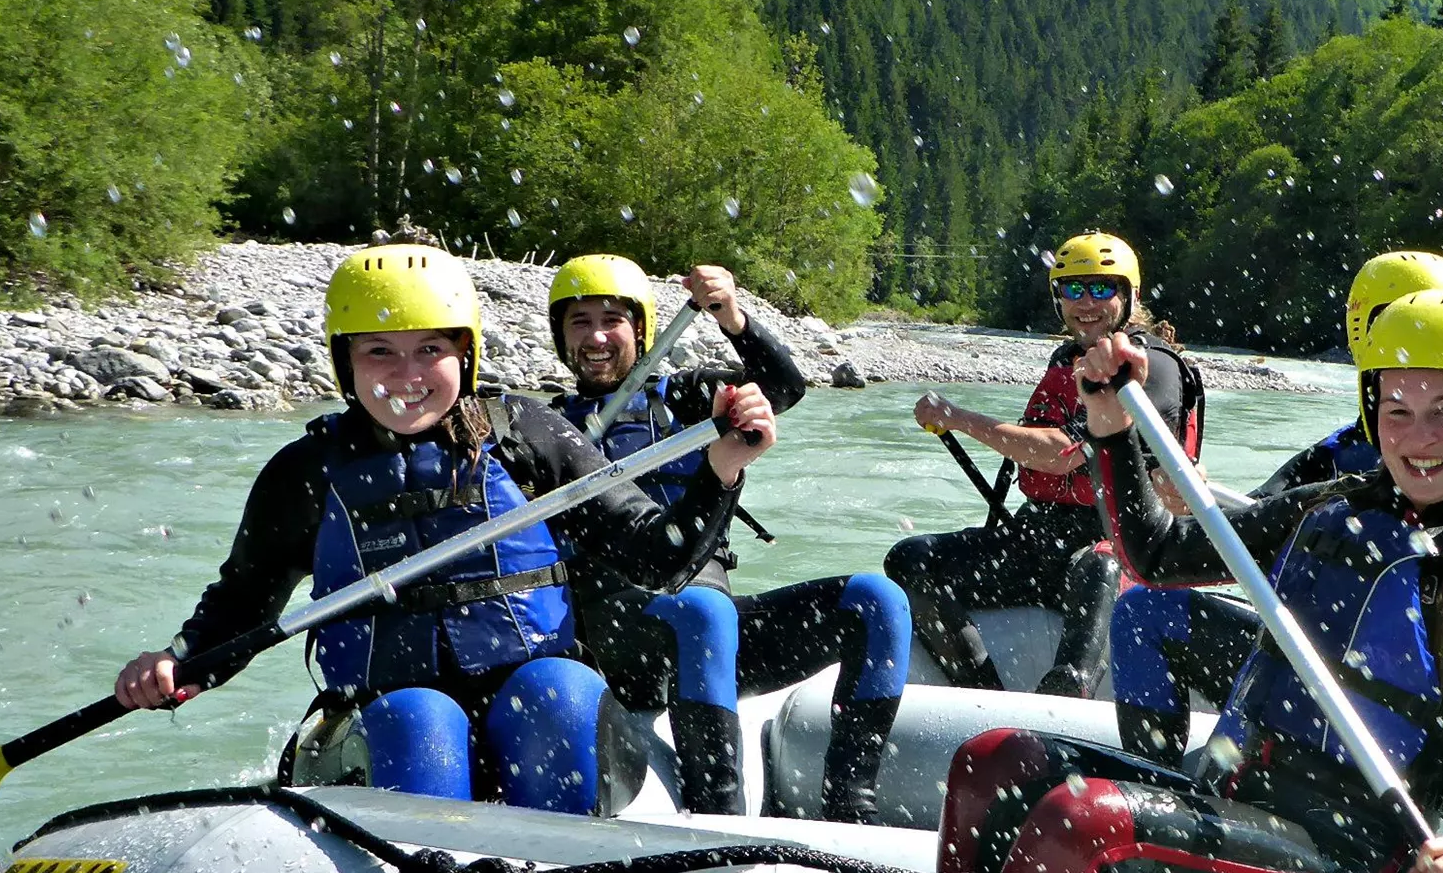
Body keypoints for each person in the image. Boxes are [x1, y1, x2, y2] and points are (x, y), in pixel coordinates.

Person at [941, 291, 1443, 873]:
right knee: (994, 762)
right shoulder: (1331, 508)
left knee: (1087, 823)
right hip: (1238, 797)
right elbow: (1154, 554)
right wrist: (1109, 423)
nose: (1418, 437)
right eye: (1397, 411)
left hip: (1356, 866)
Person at [114, 244, 770, 812]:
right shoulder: (307, 472)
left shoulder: (526, 434)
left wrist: (721, 470)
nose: (407, 377)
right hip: (385, 714)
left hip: (534, 695)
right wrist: (180, 661)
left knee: (560, 693)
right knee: (418, 719)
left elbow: (657, 558)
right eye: (380, 353)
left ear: (466, 352)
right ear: (346, 361)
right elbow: (244, 600)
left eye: (430, 349)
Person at [1106, 251, 1443, 766]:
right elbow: (1248, 524)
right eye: (1397, 411)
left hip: (1423, 709)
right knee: (1144, 610)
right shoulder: (1336, 463)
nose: (1419, 437)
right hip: (1316, 669)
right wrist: (1187, 496)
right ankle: (1161, 773)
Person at [547, 254, 909, 823]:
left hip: (708, 621)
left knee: (875, 600)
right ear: (559, 335)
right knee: (703, 612)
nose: (597, 336)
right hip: (617, 637)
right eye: (579, 322)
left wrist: (732, 316)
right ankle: (717, 814)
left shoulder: (687, 399)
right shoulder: (549, 431)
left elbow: (785, 387)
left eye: (612, 320)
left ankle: (849, 805)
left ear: (641, 330)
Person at [886, 232, 1198, 698]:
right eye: (1072, 290)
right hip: (1042, 537)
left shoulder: (1155, 368)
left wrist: (960, 417)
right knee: (912, 560)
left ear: (1129, 294)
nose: (1086, 302)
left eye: (1101, 288)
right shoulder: (1069, 361)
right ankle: (981, 692)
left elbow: (1063, 454)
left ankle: (1067, 696)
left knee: (1098, 569)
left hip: (1125, 542)